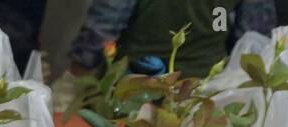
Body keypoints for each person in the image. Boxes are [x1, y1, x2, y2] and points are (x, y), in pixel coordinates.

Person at [70, 0, 276, 77]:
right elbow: (253, 35)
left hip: (135, 81)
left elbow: (106, 21)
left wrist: (83, 65)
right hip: (203, 87)